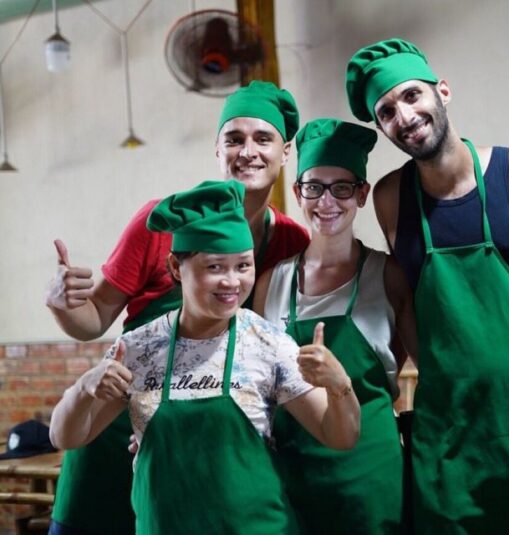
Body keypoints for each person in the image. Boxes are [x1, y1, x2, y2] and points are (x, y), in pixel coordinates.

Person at [44, 81, 309, 535]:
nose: (248, 151)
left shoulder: (291, 241)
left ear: (285, 152)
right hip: (116, 426)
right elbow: (93, 319)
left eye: (262, 139)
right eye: (234, 139)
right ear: (217, 149)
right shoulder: (159, 224)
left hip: (200, 457)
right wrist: (62, 306)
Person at [345, 38, 509, 533]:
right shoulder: (390, 198)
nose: (403, 116)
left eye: (411, 96)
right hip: (447, 425)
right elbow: (410, 306)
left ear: (442, 91)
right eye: (386, 111)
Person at [49, 180, 360, 535]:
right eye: (215, 267)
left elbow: (341, 436)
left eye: (243, 266)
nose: (232, 282)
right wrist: (83, 389)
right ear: (176, 268)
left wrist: (340, 387)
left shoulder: (269, 344)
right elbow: (66, 436)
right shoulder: (139, 349)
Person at [253, 118, 416, 534]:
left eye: (342, 187)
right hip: (291, 473)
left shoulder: (388, 275)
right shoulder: (271, 283)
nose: (327, 201)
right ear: (297, 192)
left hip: (371, 471)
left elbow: (423, 364)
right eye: (314, 187)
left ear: (362, 193)